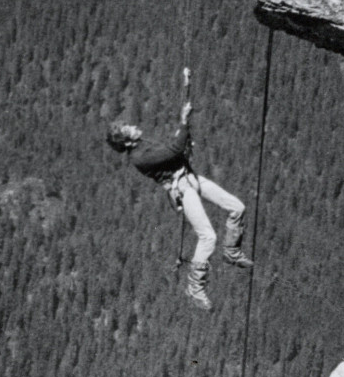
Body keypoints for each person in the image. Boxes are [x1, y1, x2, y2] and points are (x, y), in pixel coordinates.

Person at [107, 94, 252, 312]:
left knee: (237, 207)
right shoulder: (139, 157)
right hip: (182, 189)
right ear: (127, 141)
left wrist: (182, 138)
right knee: (208, 237)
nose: (135, 126)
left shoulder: (142, 145)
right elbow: (173, 151)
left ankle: (231, 251)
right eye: (130, 128)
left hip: (189, 179)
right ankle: (195, 286)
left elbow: (172, 152)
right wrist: (184, 122)